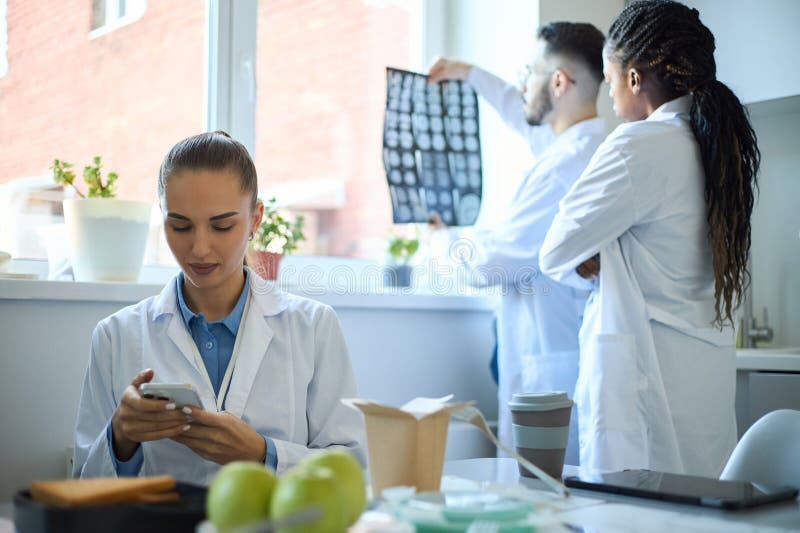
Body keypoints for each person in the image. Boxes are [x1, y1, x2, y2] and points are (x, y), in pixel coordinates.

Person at [540, 0, 759, 477]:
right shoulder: (715, 149)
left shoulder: (638, 144)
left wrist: (598, 253)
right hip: (701, 386)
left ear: (634, 78)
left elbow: (555, 250)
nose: (609, 96)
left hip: (647, 387)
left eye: (610, 77)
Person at [73, 131, 365, 482]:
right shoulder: (116, 336)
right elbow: (82, 487)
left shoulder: (314, 327)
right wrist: (120, 436)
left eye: (222, 225)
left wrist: (263, 454)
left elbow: (353, 470)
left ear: (255, 219)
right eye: (180, 225)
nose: (199, 248)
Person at [427, 22, 606, 465]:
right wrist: (469, 72)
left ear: (559, 82)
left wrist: (442, 241)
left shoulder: (561, 168)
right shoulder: (587, 145)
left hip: (550, 366)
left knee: (548, 503)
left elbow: (493, 264)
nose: (524, 83)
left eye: (531, 71)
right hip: (559, 352)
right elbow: (521, 111)